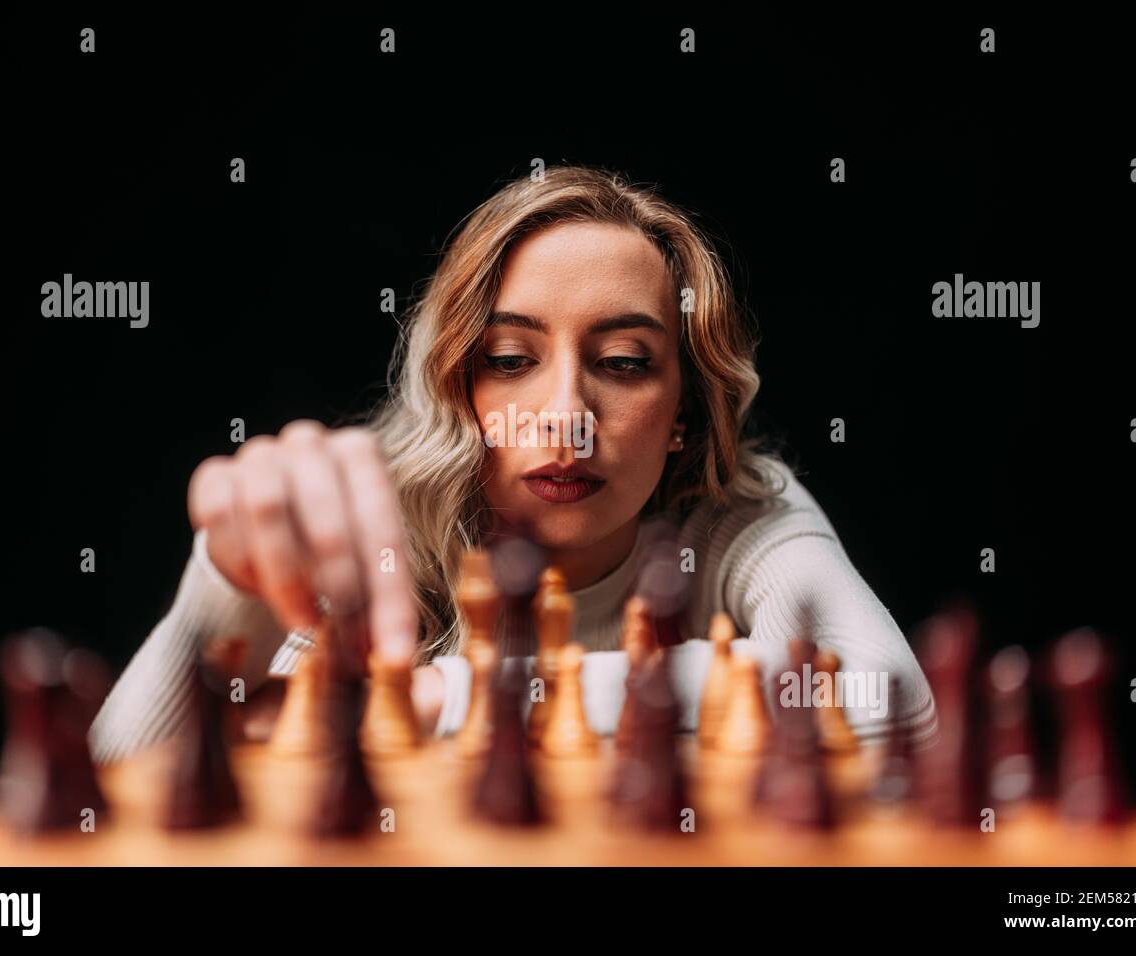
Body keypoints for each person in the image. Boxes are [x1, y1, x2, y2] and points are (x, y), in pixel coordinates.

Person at [89, 165, 936, 763]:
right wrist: (225, 593)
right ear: (456, 387)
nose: (567, 420)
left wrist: (456, 700)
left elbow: (891, 693)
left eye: (625, 362)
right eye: (508, 359)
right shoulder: (373, 531)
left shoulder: (741, 514)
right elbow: (113, 796)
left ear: (684, 410)